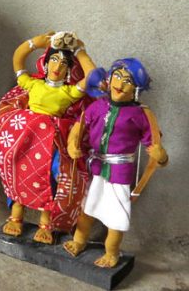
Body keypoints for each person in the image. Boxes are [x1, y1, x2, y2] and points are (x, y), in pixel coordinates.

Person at [63, 58, 168, 267]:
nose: (120, 83)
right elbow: (79, 125)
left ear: (136, 88)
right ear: (109, 79)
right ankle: (78, 241)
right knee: (87, 209)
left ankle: (112, 253)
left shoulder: (140, 115)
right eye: (117, 76)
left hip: (119, 174)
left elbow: (157, 153)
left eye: (128, 80)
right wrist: (72, 143)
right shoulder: (98, 106)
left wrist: (161, 156)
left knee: (116, 218)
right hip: (96, 168)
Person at [0, 31, 95, 243]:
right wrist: (34, 43)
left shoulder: (68, 92)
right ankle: (16, 217)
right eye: (54, 60)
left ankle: (45, 225)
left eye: (64, 63)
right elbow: (18, 60)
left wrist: (79, 51)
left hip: (49, 144)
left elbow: (92, 77)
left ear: (69, 70)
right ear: (45, 64)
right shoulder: (33, 83)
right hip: (23, 139)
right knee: (17, 172)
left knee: (49, 178)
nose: (57, 66)